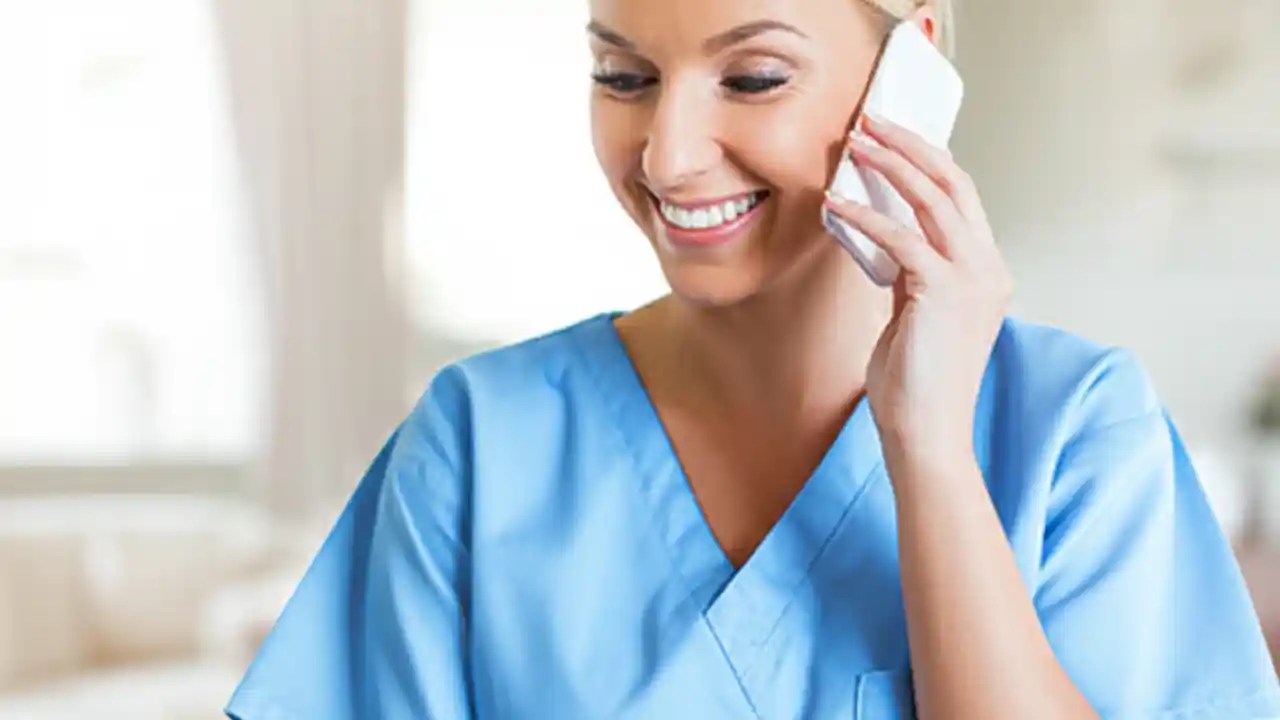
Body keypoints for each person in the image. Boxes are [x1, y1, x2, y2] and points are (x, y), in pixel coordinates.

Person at [225, 0, 1280, 717]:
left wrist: (929, 457)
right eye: (621, 74)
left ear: (907, 64)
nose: (667, 156)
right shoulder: (475, 444)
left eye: (754, 76)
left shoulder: (1078, 433)